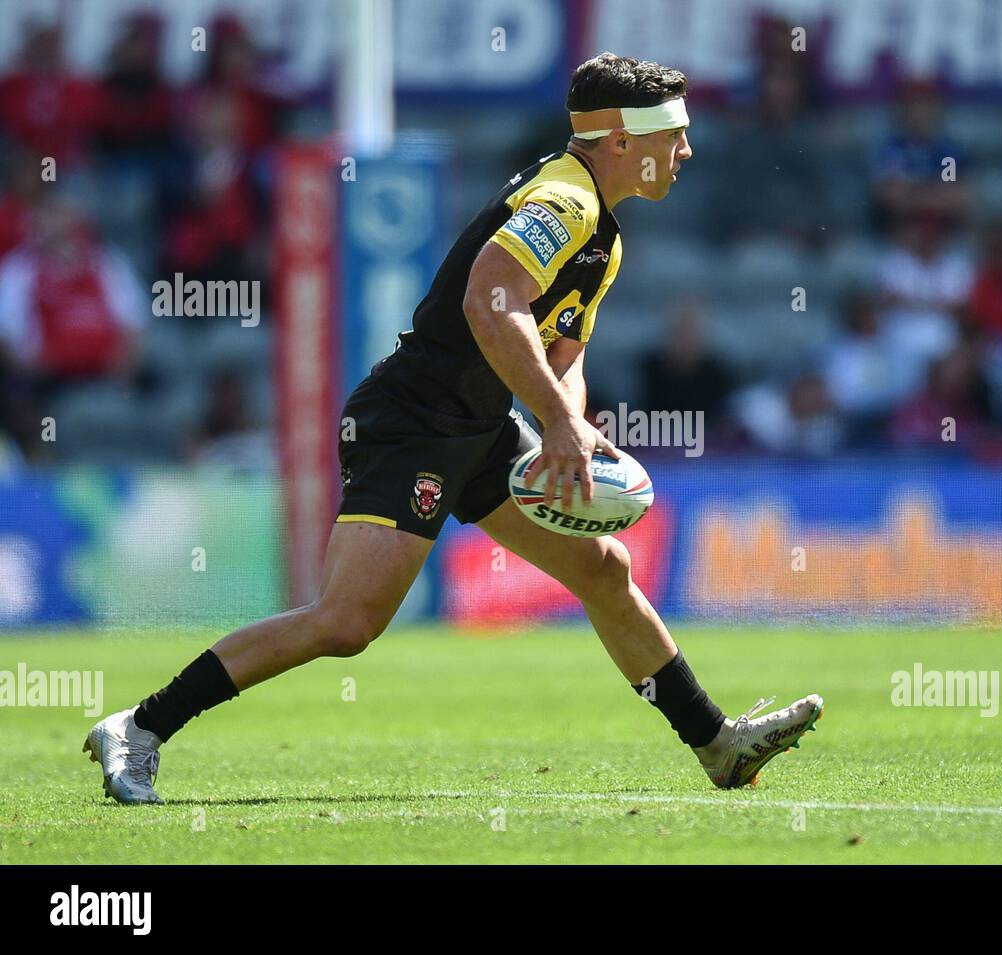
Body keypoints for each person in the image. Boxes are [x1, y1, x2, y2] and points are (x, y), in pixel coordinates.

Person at [84, 53, 823, 805]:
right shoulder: (564, 200)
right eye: (673, 132)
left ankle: (716, 744)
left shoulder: (604, 233)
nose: (687, 149)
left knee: (602, 568)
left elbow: (563, 352)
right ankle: (139, 726)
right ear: (620, 139)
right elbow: (490, 302)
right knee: (345, 621)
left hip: (482, 426)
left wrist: (572, 423)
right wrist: (559, 421)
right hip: (411, 424)